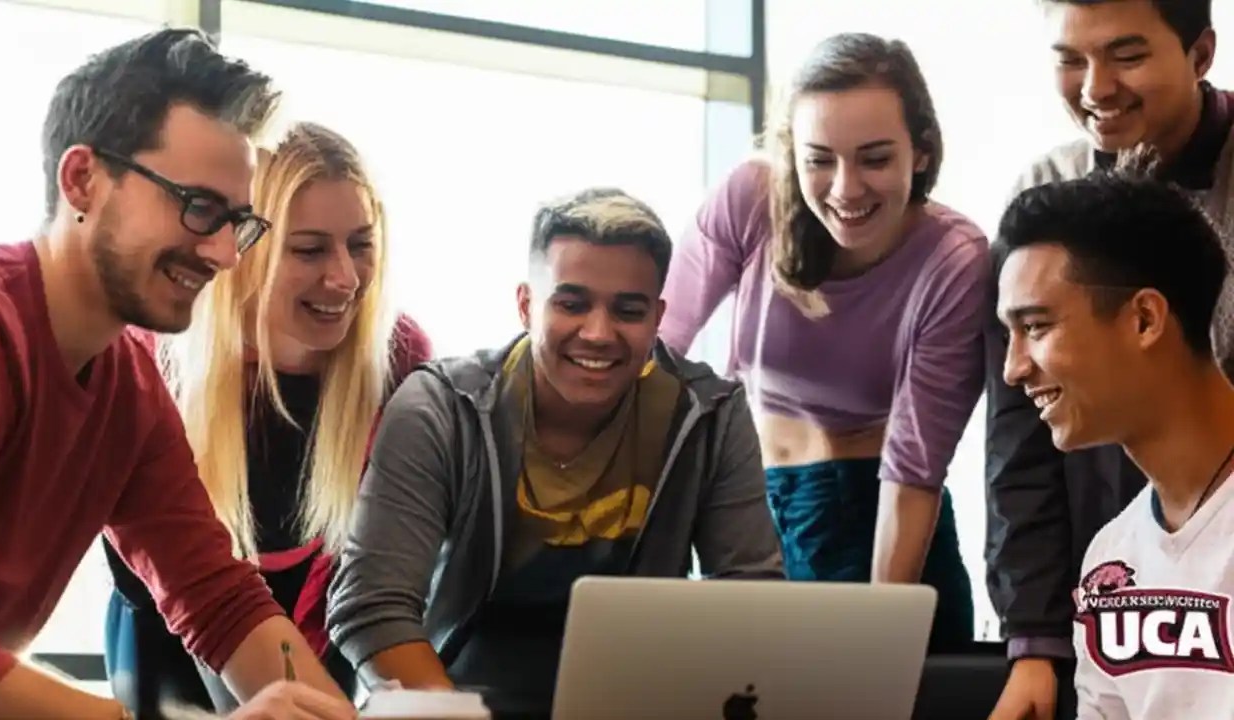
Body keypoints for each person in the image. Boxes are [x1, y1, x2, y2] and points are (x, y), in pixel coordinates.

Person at [0, 29, 355, 720]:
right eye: (199, 208)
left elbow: (218, 598)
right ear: (82, 179)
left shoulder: (128, 387)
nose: (227, 254)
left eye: (238, 222)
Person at [326, 187, 783, 711]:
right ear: (526, 305)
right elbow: (370, 604)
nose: (597, 332)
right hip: (455, 699)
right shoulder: (442, 407)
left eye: (627, 311)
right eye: (571, 303)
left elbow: (752, 601)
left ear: (658, 317)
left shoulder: (710, 414)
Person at [658, 32, 989, 651]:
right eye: (820, 159)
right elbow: (657, 351)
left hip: (874, 516)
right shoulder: (751, 199)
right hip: (747, 508)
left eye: (874, 158)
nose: (845, 188)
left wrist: (881, 639)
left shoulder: (954, 259)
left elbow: (914, 467)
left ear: (920, 152)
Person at [101, 122, 433, 712]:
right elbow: (194, 591)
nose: (345, 278)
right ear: (241, 249)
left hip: (318, 628)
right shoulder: (152, 357)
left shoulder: (399, 356)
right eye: (309, 249)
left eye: (361, 243)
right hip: (166, 631)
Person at [985, 2, 1230, 717]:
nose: (1095, 87)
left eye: (1125, 55)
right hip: (1149, 534)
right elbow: (1017, 446)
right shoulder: (1112, 564)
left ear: (1201, 53)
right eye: (1070, 59)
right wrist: (1033, 636)